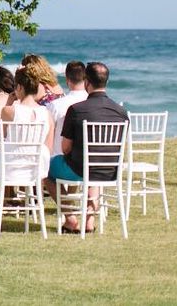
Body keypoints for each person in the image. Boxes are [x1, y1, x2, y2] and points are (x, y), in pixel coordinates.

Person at [49, 62, 127, 233]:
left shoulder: (76, 110)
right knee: (93, 166)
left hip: (80, 170)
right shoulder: (121, 112)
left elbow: (65, 148)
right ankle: (89, 222)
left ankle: (70, 219)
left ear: (87, 82)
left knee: (44, 172)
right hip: (110, 169)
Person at [0, 69, 52, 174]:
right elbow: (48, 148)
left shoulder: (9, 111)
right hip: (37, 168)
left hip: (11, 167)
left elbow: (2, 136)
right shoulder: (47, 113)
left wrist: (9, 104)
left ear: (19, 87)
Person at [46, 61, 89, 160]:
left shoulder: (55, 105)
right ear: (85, 79)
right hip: (88, 162)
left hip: (59, 159)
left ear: (67, 79)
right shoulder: (92, 104)